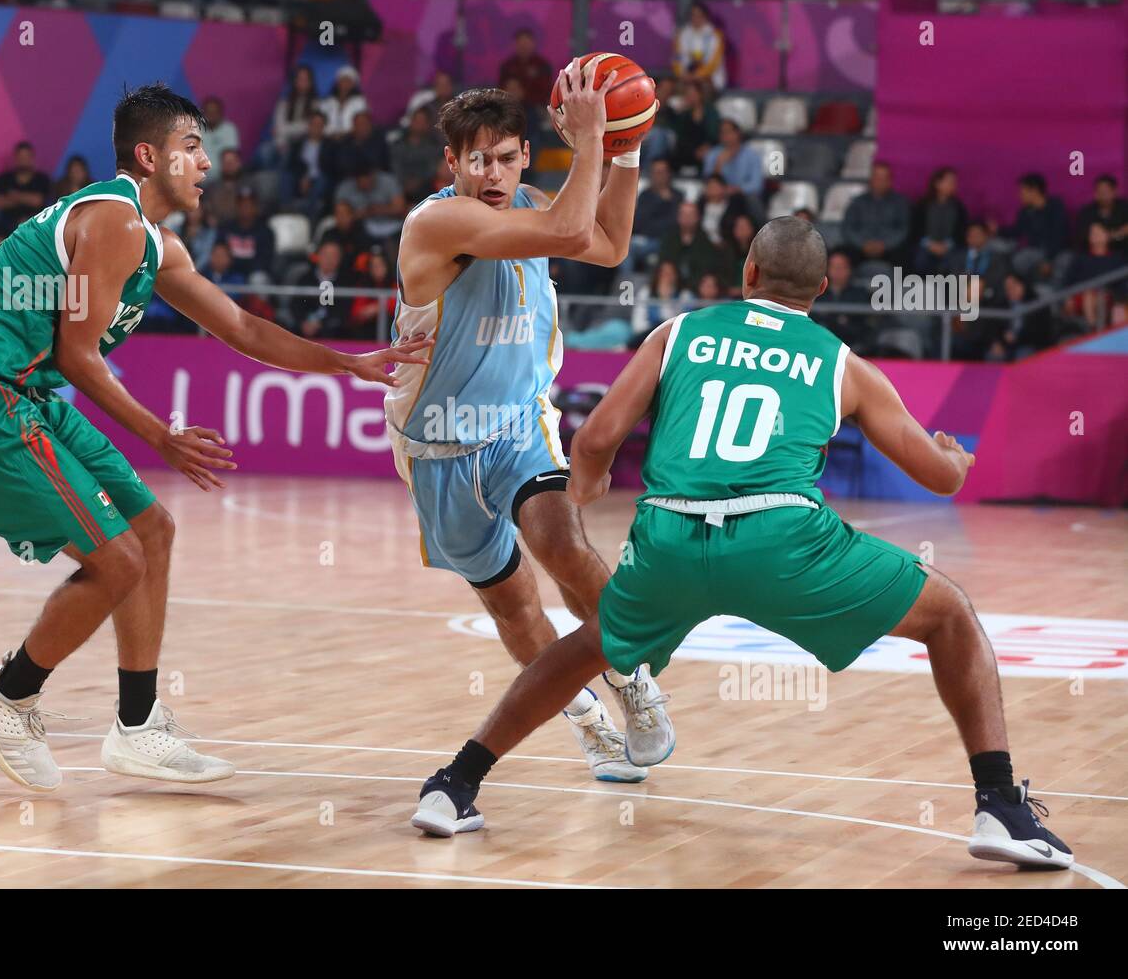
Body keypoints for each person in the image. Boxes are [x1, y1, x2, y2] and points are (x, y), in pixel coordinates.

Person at [410, 217, 1075, 878]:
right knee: (949, 614)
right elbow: (934, 476)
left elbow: (593, 438)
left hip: (670, 537)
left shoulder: (678, 332)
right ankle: (1000, 804)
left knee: (588, 646)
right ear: (819, 287)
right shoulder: (843, 361)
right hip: (782, 540)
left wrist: (586, 484)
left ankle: (455, 782)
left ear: (748, 272)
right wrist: (954, 460)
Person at [0, 83, 430, 794]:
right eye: (192, 149)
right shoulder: (114, 220)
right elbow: (78, 354)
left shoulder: (159, 246)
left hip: (25, 392)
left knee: (152, 531)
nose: (207, 164)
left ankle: (137, 727)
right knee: (118, 560)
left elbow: (243, 328)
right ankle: (9, 692)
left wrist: (342, 361)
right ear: (148, 155)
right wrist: (163, 435)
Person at [385, 63, 677, 784]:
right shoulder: (438, 222)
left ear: (523, 154)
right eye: (476, 158)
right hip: (439, 443)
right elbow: (569, 226)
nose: (493, 172)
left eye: (508, 157)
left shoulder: (537, 202)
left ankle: (632, 676)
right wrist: (590, 145)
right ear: (451, 162)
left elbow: (606, 244)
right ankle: (583, 718)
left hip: (518, 423)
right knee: (514, 607)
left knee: (563, 543)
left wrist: (627, 148)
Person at [910, 167, 968, 275]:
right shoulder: (923, 205)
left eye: (954, 182)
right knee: (919, 260)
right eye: (949, 182)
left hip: (949, 248)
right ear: (937, 183)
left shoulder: (958, 208)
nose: (953, 185)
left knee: (954, 263)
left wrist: (946, 245)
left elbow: (961, 233)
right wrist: (929, 244)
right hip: (925, 246)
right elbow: (915, 230)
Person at [0, 141, 53, 230]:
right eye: (20, 157)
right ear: (15, 158)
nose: (23, 160)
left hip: (36, 226)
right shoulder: (4, 179)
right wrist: (26, 199)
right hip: (6, 226)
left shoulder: (42, 179)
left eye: (26, 157)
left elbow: (38, 201)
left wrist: (14, 196)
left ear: (32, 158)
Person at [672, 1, 727, 91]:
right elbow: (677, 58)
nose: (696, 19)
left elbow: (713, 64)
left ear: (705, 17)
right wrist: (682, 74)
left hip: (709, 78)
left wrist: (696, 76)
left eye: (699, 16)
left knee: (699, 89)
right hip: (686, 76)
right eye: (693, 15)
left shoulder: (715, 35)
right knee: (668, 86)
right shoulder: (682, 34)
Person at [497, 29, 554, 107]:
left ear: (533, 44)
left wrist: (525, 94)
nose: (523, 47)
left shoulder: (542, 65)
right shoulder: (507, 66)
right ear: (515, 45)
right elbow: (500, 88)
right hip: (510, 105)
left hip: (536, 107)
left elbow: (547, 91)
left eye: (526, 43)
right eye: (520, 44)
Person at [198, 96, 239, 182]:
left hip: (223, 177)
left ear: (221, 113)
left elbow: (231, 158)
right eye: (208, 112)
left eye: (215, 112)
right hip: (200, 176)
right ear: (202, 113)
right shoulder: (194, 130)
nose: (211, 115)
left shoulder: (229, 129)